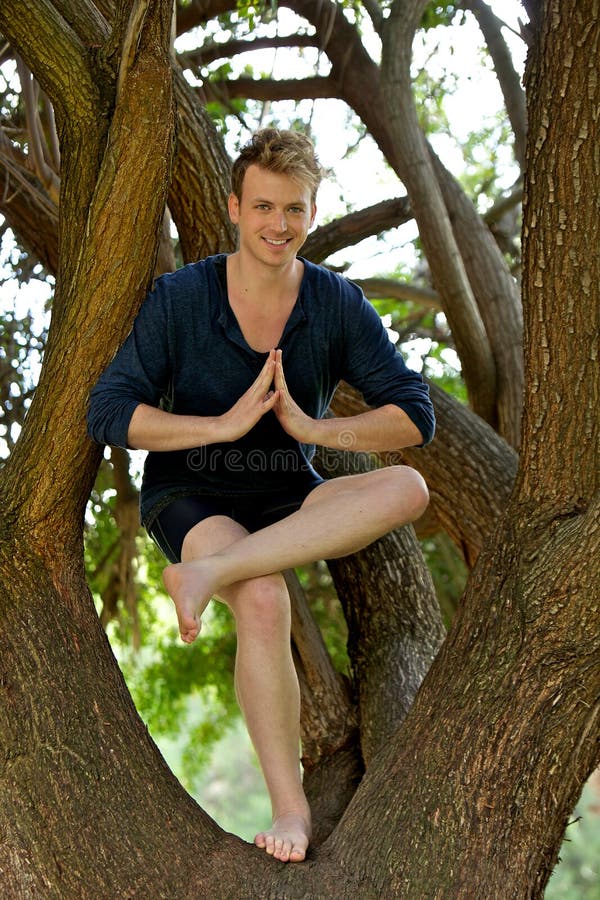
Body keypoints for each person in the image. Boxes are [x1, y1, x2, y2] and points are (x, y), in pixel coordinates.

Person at [87, 127, 435, 864]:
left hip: (288, 492)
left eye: (296, 210)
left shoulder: (334, 302)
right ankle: (291, 810)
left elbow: (415, 413)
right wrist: (220, 422)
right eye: (265, 207)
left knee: (407, 485)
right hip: (193, 492)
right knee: (267, 597)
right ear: (235, 207)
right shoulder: (181, 298)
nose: (279, 225)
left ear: (312, 212)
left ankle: (208, 576)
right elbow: (111, 411)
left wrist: (311, 425)